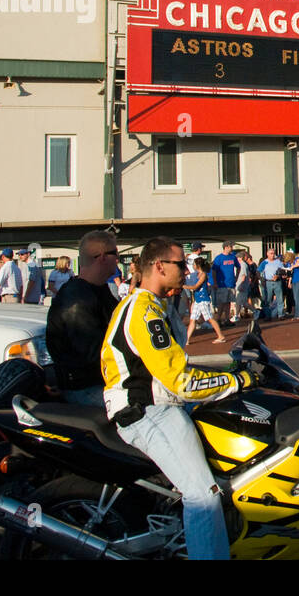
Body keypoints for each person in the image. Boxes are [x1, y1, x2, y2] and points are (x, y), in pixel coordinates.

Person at [101, 236, 261, 560]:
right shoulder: (144, 311)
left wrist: (230, 371)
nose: (186, 270)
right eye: (180, 264)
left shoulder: (154, 305)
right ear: (159, 266)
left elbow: (177, 365)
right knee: (203, 494)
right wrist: (236, 380)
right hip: (147, 411)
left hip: (160, 404)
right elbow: (181, 381)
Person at [45, 230, 122, 406]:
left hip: (101, 382)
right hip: (85, 388)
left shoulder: (99, 290)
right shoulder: (76, 299)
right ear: (102, 257)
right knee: (149, 409)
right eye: (115, 253)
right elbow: (94, 354)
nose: (117, 258)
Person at [184, 257, 224, 343]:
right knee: (193, 319)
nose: (193, 266)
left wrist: (183, 286)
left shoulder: (203, 274)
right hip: (197, 300)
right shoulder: (196, 274)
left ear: (198, 265)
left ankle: (221, 336)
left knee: (209, 318)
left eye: (194, 264)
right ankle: (187, 339)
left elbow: (195, 286)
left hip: (203, 299)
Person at [210, 241, 240, 325]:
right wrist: (215, 282)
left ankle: (227, 319)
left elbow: (238, 267)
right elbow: (214, 271)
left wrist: (236, 277)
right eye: (231, 246)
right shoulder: (219, 258)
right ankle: (218, 319)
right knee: (221, 303)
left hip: (231, 283)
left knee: (228, 302)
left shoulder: (233, 257)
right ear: (226, 247)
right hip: (222, 284)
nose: (232, 248)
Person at [288, 249, 299, 320]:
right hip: (294, 280)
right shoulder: (291, 262)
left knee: (297, 297)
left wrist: (293, 266)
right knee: (296, 298)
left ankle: (298, 315)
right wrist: (289, 282)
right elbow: (291, 273)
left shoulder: (297, 259)